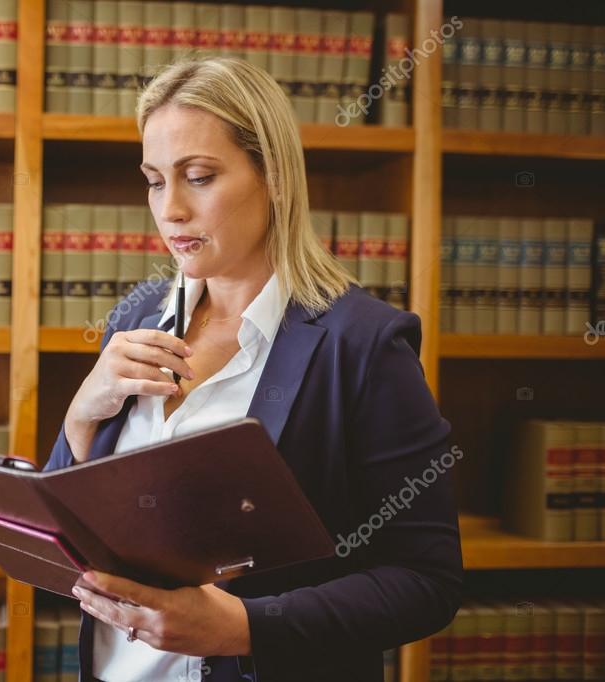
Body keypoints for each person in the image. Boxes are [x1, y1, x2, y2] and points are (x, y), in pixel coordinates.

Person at [42, 57, 463, 682]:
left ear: (274, 177)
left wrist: (244, 628)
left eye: (200, 176)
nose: (171, 209)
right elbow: (58, 554)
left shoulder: (364, 345)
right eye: (155, 181)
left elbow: (426, 581)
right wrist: (80, 421)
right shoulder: (134, 317)